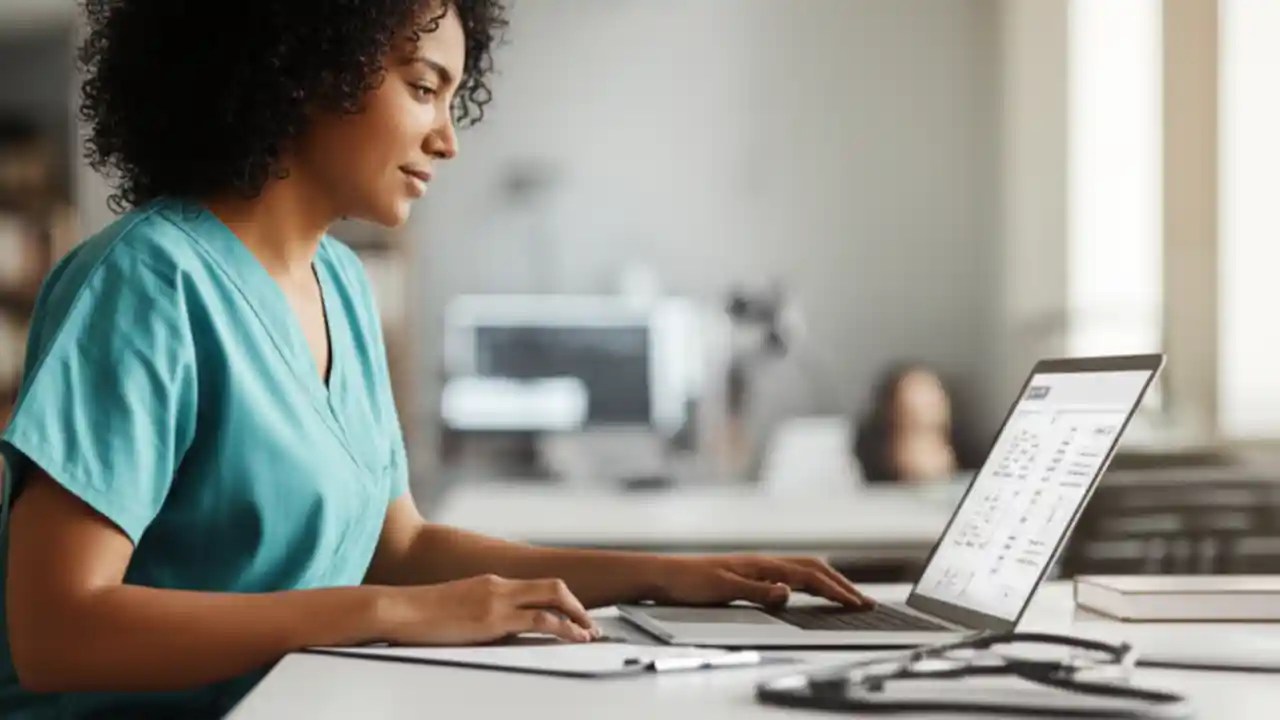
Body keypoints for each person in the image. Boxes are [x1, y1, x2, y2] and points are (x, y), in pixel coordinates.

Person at [0, 1, 872, 717]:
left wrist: (661, 577)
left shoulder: (340, 283)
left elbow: (402, 546)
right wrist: (391, 614)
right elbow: (57, 633)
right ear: (306, 68)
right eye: (424, 89)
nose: (448, 139)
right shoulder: (147, 283)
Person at [853, 364, 975, 483]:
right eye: (914, 403)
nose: (924, 409)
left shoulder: (967, 449)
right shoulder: (870, 456)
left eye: (930, 400)